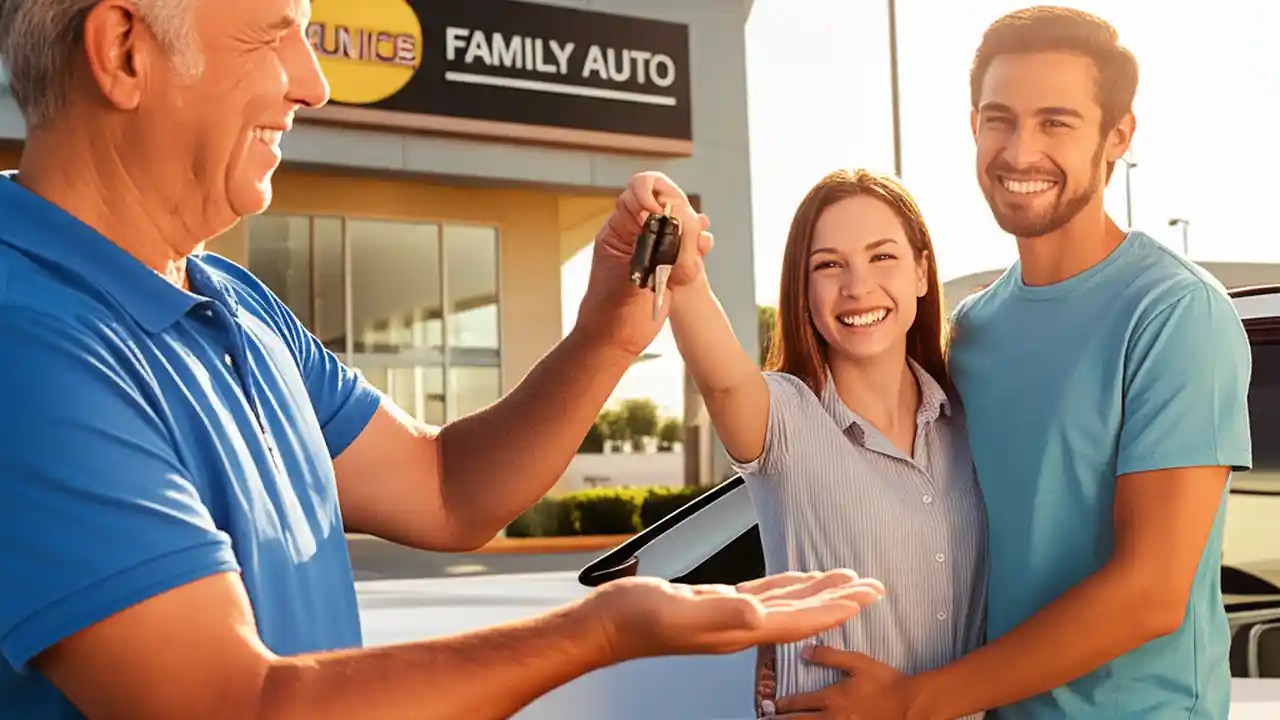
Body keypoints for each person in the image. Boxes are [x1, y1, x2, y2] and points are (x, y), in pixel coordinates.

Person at [0, 1, 889, 718]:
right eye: (274, 36)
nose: (310, 85)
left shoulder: (235, 303)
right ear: (123, 52)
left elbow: (445, 486)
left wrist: (608, 335)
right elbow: (237, 704)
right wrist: (598, 635)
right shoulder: (24, 337)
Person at [772, 6, 1252, 720]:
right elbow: (876, 499)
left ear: (1117, 135)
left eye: (1056, 122)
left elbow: (1151, 592)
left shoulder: (1175, 313)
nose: (1020, 150)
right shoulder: (971, 333)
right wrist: (774, 628)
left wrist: (912, 702)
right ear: (974, 128)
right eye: (999, 119)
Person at [643, 168, 987, 717]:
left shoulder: (971, 421)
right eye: (828, 265)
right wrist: (684, 274)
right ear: (802, 290)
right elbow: (726, 381)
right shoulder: (785, 417)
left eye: (882, 257)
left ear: (922, 272)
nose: (857, 287)